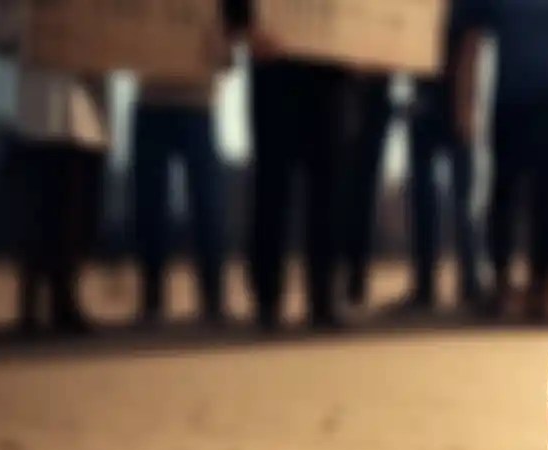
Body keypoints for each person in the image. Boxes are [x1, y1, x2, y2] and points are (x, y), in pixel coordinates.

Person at [466, 0, 548, 318]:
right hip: (509, 104)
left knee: (547, 199)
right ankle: (501, 285)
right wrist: (464, 102)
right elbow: (472, 41)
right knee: (503, 196)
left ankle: (540, 288)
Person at [240, 1, 358, 330]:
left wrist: (366, 42)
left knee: (329, 190)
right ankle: (267, 298)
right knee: (271, 187)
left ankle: (324, 297)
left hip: (330, 74)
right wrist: (247, 27)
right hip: (275, 69)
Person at [131, 2, 244, 325]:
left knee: (207, 204)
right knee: (150, 204)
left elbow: (234, 31)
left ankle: (212, 299)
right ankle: (152, 299)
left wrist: (223, 46)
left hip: (198, 101)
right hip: (152, 96)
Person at [11, 65, 110, 335]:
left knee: (73, 219)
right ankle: (30, 307)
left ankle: (64, 302)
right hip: (36, 119)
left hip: (81, 120)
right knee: (35, 216)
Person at [410, 0, 489, 312]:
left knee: (464, 202)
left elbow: (472, 46)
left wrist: (466, 107)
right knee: (423, 200)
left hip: (457, 106)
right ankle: (424, 286)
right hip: (423, 104)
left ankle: (470, 284)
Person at [344, 71, 392, 308]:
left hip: (375, 88)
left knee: (362, 195)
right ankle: (334, 282)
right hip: (334, 87)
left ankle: (355, 283)